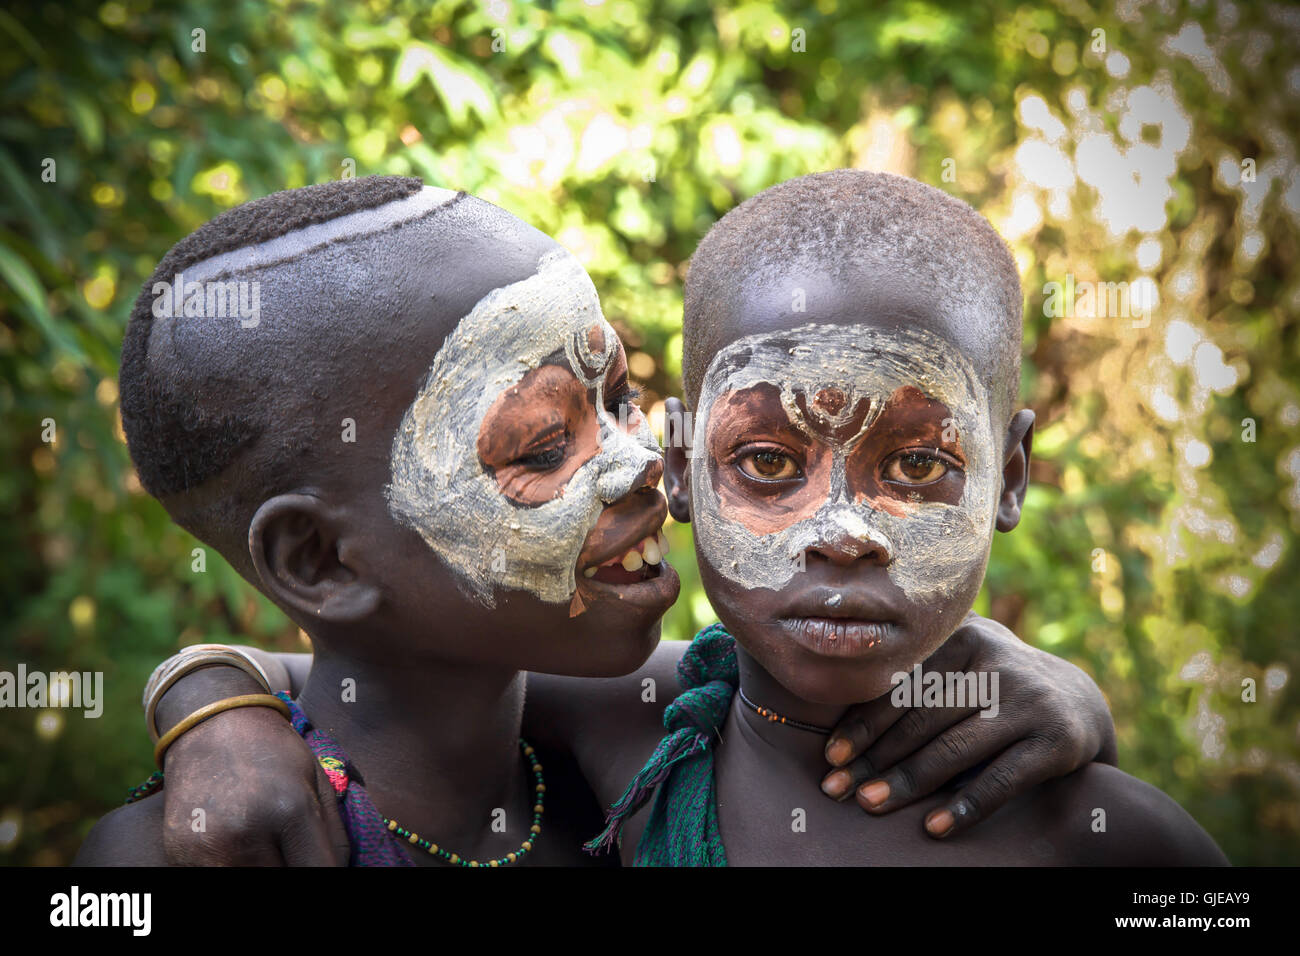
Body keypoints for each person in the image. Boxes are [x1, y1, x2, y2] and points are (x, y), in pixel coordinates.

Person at [75, 175, 1119, 867]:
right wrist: (211, 706)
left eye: (617, 397)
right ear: (317, 557)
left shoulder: (626, 747)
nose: (641, 462)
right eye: (541, 447)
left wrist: (1038, 681)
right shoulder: (194, 850)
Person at [585, 169, 1228, 865]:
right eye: (768, 463)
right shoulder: (598, 728)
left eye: (918, 467)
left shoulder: (1113, 840)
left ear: (1009, 477)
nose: (842, 533)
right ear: (680, 466)